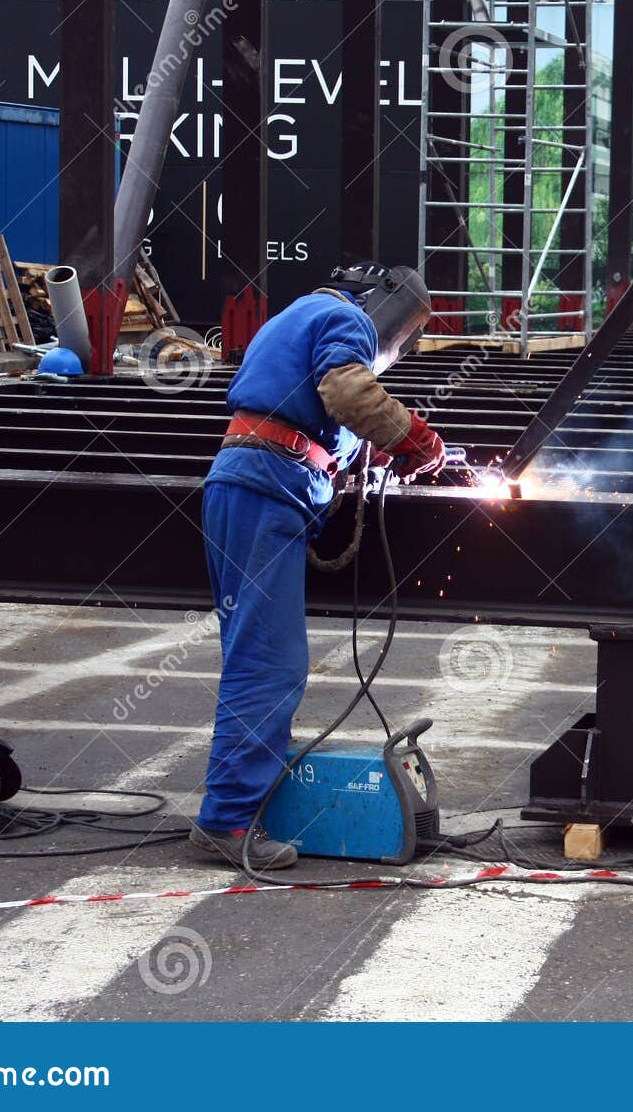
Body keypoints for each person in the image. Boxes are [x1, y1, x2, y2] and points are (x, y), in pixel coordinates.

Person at [189, 265, 446, 871]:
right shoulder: (343, 318)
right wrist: (416, 438)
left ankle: (233, 808)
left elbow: (319, 422)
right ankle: (224, 821)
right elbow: (349, 394)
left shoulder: (297, 317)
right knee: (271, 665)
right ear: (391, 314)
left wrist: (384, 450)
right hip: (263, 493)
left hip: (251, 489)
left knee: (256, 657)